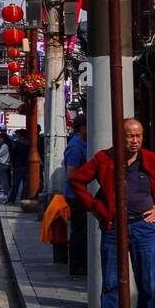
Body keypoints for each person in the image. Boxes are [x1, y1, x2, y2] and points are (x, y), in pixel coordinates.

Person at [69, 118, 155, 308]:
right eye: (130, 136)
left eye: (138, 136)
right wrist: (95, 207)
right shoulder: (104, 159)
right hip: (114, 228)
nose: (135, 141)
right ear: (118, 137)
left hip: (143, 227)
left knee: (148, 283)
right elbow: (77, 180)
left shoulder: (152, 160)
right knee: (111, 282)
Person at [63, 114, 89, 275]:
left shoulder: (82, 144)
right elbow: (71, 174)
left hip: (81, 193)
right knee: (80, 231)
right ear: (81, 128)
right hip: (76, 195)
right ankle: (77, 264)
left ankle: (80, 262)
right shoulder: (76, 146)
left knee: (82, 230)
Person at [8, 129, 30, 203]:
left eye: (17, 134)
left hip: (18, 165)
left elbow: (12, 154)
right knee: (25, 184)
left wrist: (11, 163)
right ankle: (23, 199)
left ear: (20, 135)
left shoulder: (16, 143)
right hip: (26, 165)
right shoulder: (28, 143)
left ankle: (12, 199)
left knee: (16, 183)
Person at [0, 130, 12, 201]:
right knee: (5, 180)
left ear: (2, 139)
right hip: (6, 164)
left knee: (4, 180)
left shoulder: (4, 146)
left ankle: (5, 194)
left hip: (3, 164)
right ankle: (5, 193)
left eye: (0, 138)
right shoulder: (7, 145)